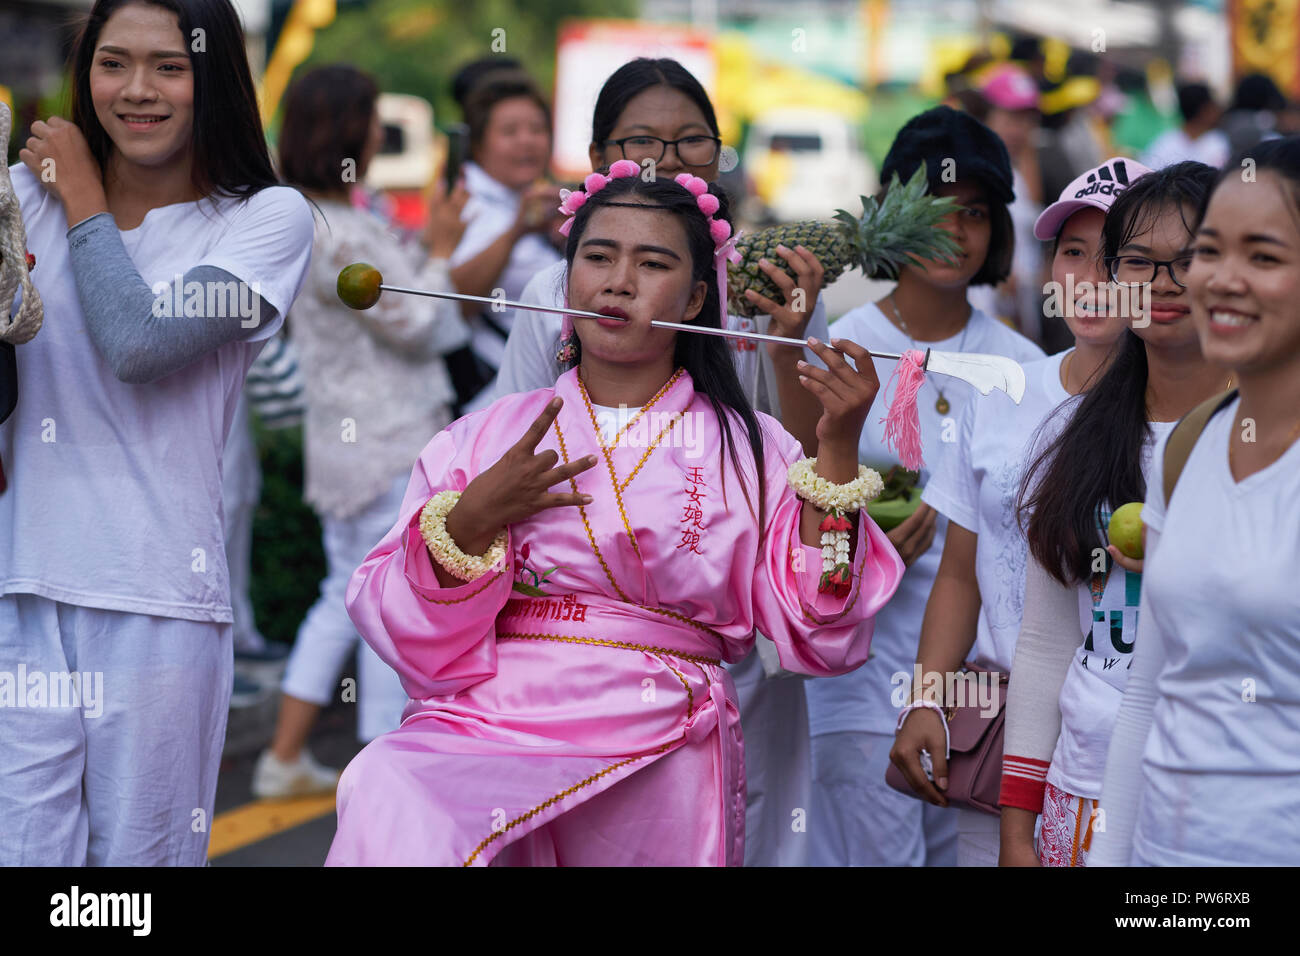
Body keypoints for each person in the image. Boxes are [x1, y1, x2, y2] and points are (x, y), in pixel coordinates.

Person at [324, 163, 904, 866]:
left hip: (664, 728)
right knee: (390, 782)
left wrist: (836, 445)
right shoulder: (486, 436)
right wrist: (470, 521)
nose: (618, 281)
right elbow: (391, 615)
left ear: (694, 298)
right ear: (567, 279)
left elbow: (823, 618)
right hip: (494, 721)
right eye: (597, 257)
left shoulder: (751, 447)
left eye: (651, 263)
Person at [491, 56, 834, 867]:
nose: (667, 162)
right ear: (598, 153)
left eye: (691, 142)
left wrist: (790, 338)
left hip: (723, 635)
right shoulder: (556, 290)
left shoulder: (761, 282)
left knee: (731, 824)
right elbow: (501, 457)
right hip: (575, 651)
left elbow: (804, 462)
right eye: (640, 141)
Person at [0, 0, 313, 865]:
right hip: (19, 585)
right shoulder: (21, 197)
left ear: (213, 79)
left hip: (157, 601)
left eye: (170, 67)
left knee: (130, 882)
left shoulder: (265, 221)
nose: (137, 91)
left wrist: (84, 198)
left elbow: (140, 342)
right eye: (114, 63)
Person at [889, 156, 1150, 867]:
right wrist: (926, 699)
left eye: (1118, 258)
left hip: (1139, 732)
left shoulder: (1185, 419)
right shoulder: (1003, 393)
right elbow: (958, 576)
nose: (1090, 280)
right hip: (1007, 726)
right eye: (1072, 253)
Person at [803, 105, 1045, 867]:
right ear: (887, 216)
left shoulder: (1021, 367)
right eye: (933, 207)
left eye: (975, 211)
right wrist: (857, 538)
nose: (956, 228)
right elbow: (794, 523)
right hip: (856, 679)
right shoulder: (839, 350)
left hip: (977, 699)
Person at [997, 162, 1230, 867]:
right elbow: (1045, 643)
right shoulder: (1073, 436)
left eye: (1188, 260)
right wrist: (1017, 828)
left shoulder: (1267, 442)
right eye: (1137, 261)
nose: (1161, 283)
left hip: (1218, 798)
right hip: (1082, 789)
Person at [252, 64, 473, 797]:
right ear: (347, 128)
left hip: (344, 439)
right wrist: (439, 247)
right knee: (390, 598)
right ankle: (383, 765)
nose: (379, 131)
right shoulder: (341, 232)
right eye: (372, 116)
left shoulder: (313, 219)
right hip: (385, 437)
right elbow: (422, 326)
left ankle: (287, 757)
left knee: (341, 595)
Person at [1091, 139, 1300, 866]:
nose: (1219, 280)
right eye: (1210, 251)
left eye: (1264, 257)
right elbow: (1149, 693)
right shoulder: (1189, 447)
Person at [447, 69, 562, 413]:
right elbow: (452, 303)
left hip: (538, 396)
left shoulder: (525, 201)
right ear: (478, 145)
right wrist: (516, 232)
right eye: (509, 131)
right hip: (495, 404)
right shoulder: (464, 205)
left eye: (538, 129)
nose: (527, 140)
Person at [1141, 82, 1230, 170]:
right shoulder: (1217, 143)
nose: (1217, 111)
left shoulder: (1163, 143)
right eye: (1212, 106)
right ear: (1204, 110)